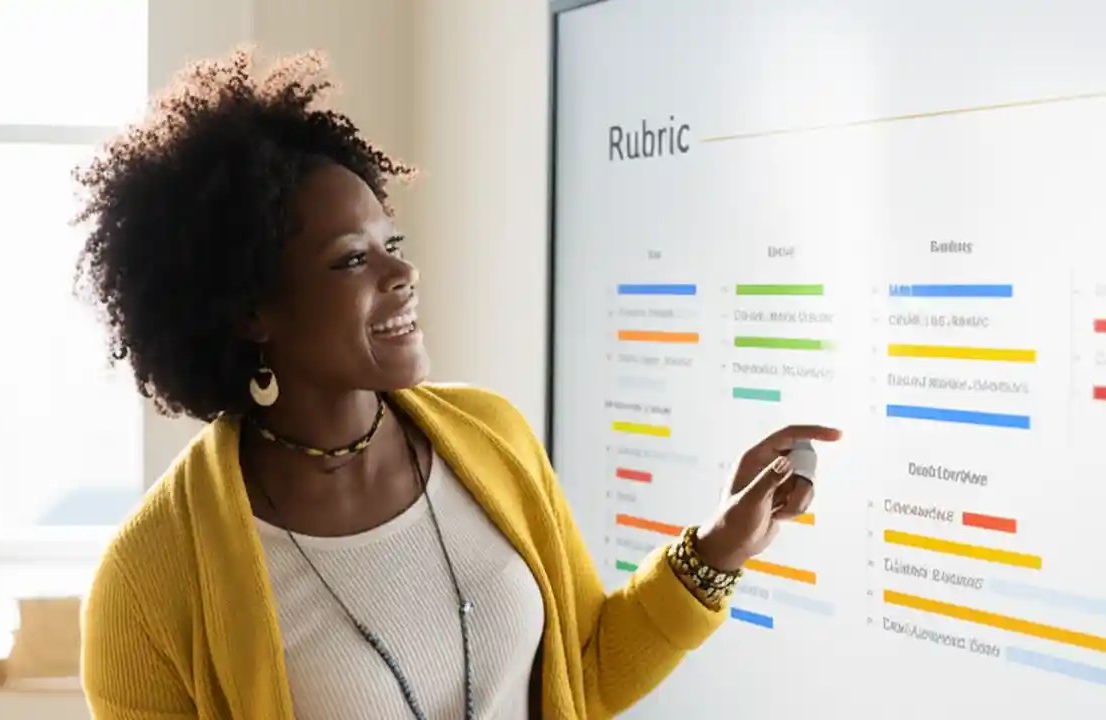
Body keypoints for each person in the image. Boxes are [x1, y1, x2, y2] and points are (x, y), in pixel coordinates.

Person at [74, 48, 840, 720]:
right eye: (352, 259)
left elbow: (588, 673)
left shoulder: (491, 436)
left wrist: (720, 546)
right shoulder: (148, 580)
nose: (403, 274)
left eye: (392, 243)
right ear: (249, 312)